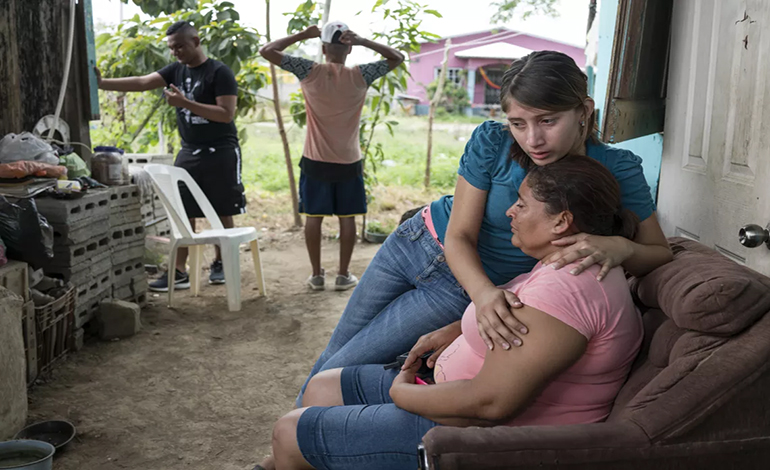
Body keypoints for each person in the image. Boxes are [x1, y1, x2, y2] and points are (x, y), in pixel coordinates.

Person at [294, 50, 672, 405]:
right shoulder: (494, 143)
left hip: (460, 287)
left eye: (548, 121)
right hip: (416, 244)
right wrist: (484, 296)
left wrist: (621, 249)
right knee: (333, 353)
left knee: (342, 368)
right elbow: (459, 235)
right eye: (518, 123)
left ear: (584, 111)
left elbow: (658, 251)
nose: (533, 140)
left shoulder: (617, 168)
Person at [261, 155, 644, 470]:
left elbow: (489, 403)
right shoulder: (559, 266)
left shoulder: (567, 285)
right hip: (453, 397)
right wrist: (456, 331)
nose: (510, 211)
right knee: (323, 386)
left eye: (522, 203)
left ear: (561, 221)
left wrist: (402, 394)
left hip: (479, 434)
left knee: (288, 432)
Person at [96, 21, 245, 291]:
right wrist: (102, 83)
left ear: (196, 42)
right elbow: (143, 82)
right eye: (171, 48)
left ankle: (222, 261)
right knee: (183, 209)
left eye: (180, 46)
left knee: (222, 208)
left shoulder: (220, 72)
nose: (175, 52)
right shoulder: (176, 71)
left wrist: (185, 103)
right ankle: (179, 270)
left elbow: (226, 115)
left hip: (221, 151)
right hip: (189, 151)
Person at [259, 22, 404, 291]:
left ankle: (316, 275)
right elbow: (397, 57)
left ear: (324, 48)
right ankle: (343, 275)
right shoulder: (361, 75)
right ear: (348, 49)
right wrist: (363, 41)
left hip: (315, 160)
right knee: (346, 218)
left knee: (313, 218)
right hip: (349, 160)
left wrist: (302, 34)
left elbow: (267, 50)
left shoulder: (309, 71)